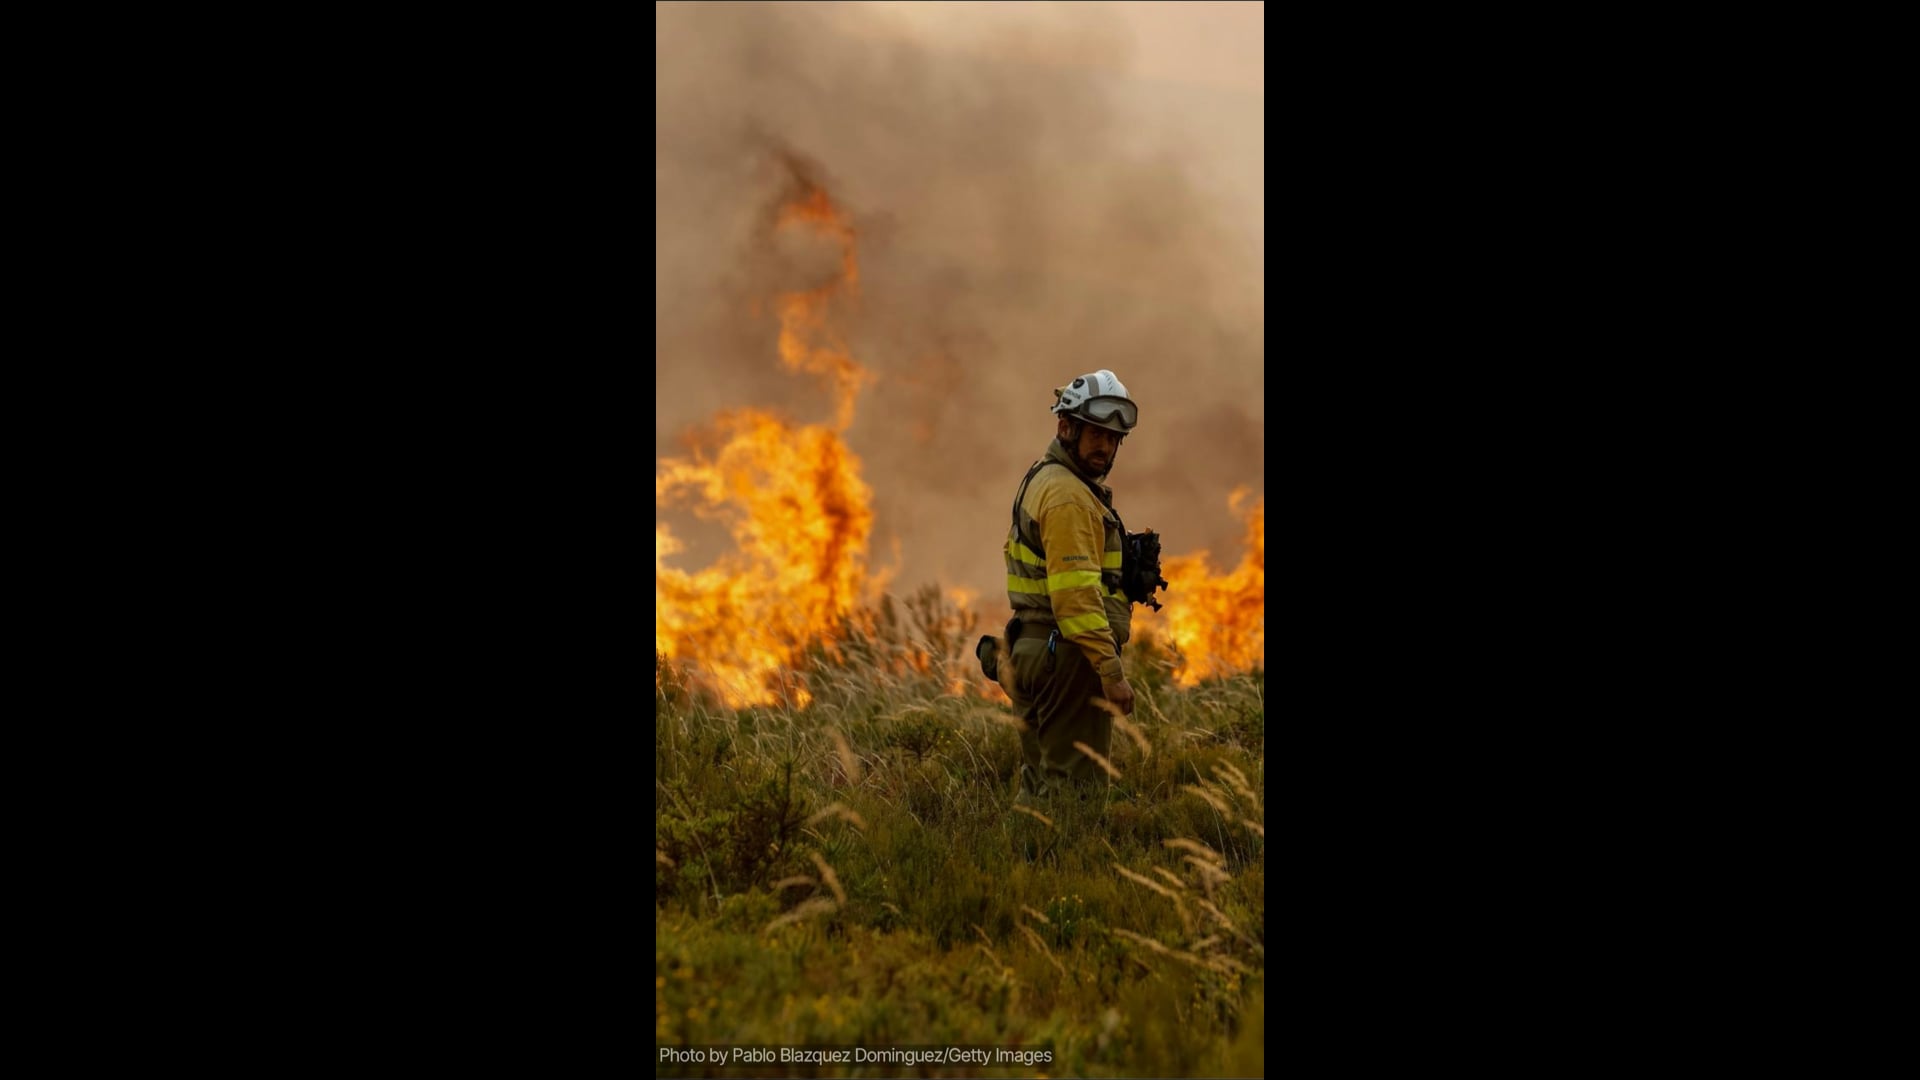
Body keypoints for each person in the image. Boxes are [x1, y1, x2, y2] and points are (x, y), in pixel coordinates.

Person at [981, 369, 1142, 796]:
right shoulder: (1069, 495)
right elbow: (1075, 599)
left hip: (1036, 646)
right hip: (1067, 656)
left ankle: (1024, 861)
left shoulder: (1046, 478)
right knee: (1076, 796)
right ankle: (1067, 860)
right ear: (1066, 427)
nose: (1104, 447)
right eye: (1095, 434)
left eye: (1112, 439)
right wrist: (1110, 673)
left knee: (1038, 791)